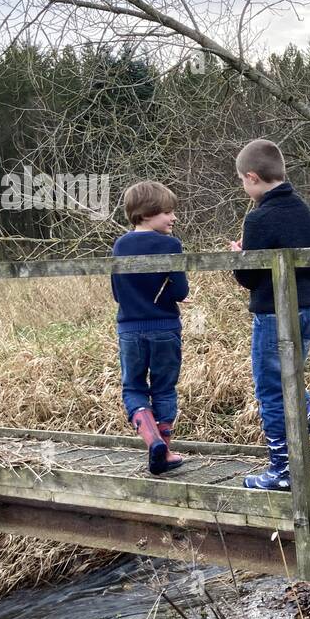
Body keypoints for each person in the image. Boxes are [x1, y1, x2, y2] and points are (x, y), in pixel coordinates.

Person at [230, 138, 310, 490]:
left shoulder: (259, 218)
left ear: (252, 177)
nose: (242, 186)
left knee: (271, 390)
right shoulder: (305, 211)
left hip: (274, 314)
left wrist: (240, 257)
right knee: (290, 382)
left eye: (241, 180)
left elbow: (250, 279)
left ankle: (282, 473)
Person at [112, 180, 188, 475]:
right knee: (164, 387)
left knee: (133, 386)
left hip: (129, 329)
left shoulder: (120, 245)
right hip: (165, 327)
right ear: (147, 213)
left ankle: (152, 440)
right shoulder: (171, 245)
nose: (174, 218)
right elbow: (180, 290)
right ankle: (164, 448)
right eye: (168, 212)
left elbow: (117, 293)